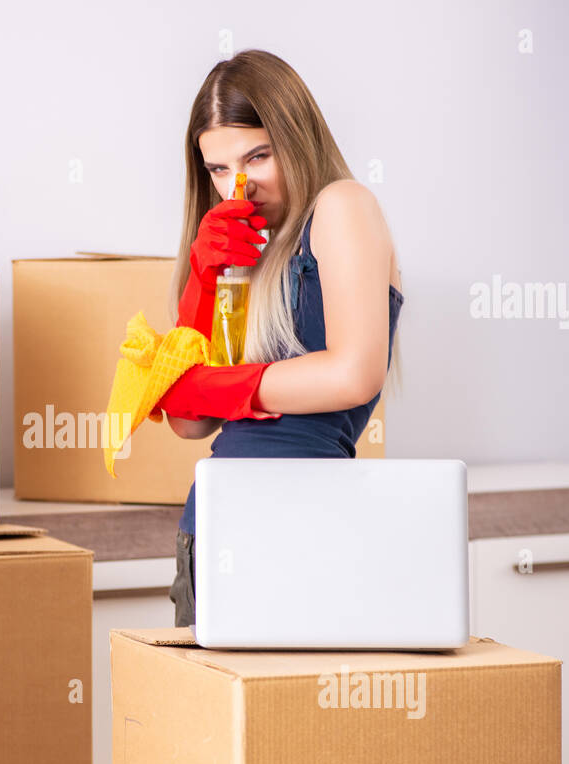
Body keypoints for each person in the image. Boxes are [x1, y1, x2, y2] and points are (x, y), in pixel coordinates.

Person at [161, 49, 406, 628]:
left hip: (310, 524)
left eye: (259, 155)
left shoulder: (342, 206)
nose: (237, 185)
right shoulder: (241, 246)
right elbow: (189, 422)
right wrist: (203, 276)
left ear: (296, 136)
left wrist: (218, 388)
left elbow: (353, 373)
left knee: (302, 718)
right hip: (210, 527)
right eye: (218, 169)